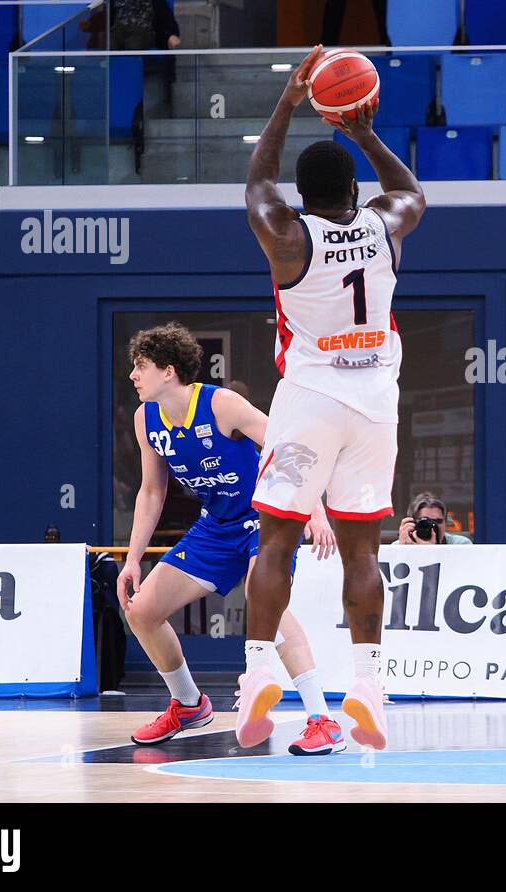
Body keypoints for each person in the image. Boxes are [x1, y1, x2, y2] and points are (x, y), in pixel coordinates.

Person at [241, 45, 426, 752]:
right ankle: (369, 684)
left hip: (310, 398)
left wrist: (289, 103)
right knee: (363, 550)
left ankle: (260, 667)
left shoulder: (287, 237)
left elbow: (257, 187)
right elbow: (411, 192)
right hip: (376, 403)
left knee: (277, 540)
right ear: (354, 191)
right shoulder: (384, 225)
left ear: (303, 196)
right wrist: (364, 131)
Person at [120, 322, 346, 756]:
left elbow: (285, 448)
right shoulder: (145, 418)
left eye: (140, 366)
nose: (133, 375)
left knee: (267, 604)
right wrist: (133, 560)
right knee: (143, 610)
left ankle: (323, 721)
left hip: (267, 518)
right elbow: (152, 491)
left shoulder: (221, 404)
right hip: (216, 526)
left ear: (168, 371)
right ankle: (188, 705)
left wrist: (315, 509)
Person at [398, 491, 473, 545]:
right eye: (426, 521)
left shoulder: (460, 545)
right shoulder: (400, 545)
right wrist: (404, 551)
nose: (433, 526)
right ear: (412, 524)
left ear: (445, 523)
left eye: (438, 521)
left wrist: (431, 551)